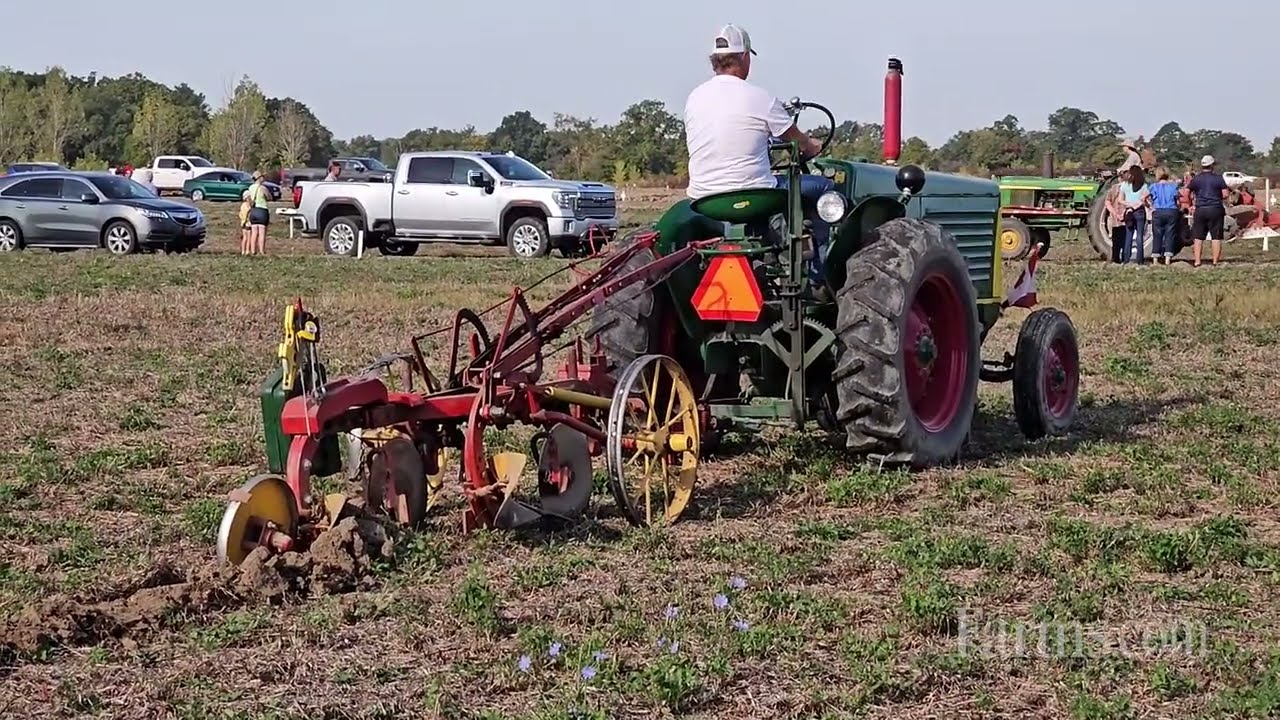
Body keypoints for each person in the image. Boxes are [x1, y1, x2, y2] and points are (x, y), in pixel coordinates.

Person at [684, 24, 832, 282]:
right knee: (824, 188)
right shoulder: (760, 98)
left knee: (761, 195)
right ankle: (818, 276)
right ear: (743, 57)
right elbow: (800, 142)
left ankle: (761, 257)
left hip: (705, 197)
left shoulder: (694, 98)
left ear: (715, 61)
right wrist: (813, 146)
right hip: (752, 192)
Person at [1187, 155, 1229, 267]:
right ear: (1212, 165)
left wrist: (1190, 204)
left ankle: (1197, 261)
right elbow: (1225, 194)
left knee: (1198, 236)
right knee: (1216, 237)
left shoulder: (1196, 179)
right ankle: (1215, 261)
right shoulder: (1218, 178)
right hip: (1215, 209)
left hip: (1200, 209)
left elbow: (1187, 192)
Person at [1148, 168, 1180, 265]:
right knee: (1170, 235)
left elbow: (1143, 198)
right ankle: (1167, 259)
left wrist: (1150, 206)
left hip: (1158, 211)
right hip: (1171, 210)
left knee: (1157, 235)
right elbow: (1177, 200)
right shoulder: (1173, 186)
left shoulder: (1153, 186)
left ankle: (1155, 258)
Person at [1119, 165, 1150, 265]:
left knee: (1128, 235)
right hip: (1140, 212)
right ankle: (1139, 260)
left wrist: (1130, 205)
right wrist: (1136, 205)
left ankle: (1126, 259)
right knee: (1140, 236)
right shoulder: (1144, 186)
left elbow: (1120, 200)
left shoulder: (1124, 185)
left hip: (1129, 212)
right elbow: (1143, 200)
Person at [247, 170, 271, 255]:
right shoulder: (262, 188)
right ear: (259, 178)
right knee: (262, 232)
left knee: (254, 233)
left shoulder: (250, 188)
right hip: (262, 210)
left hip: (253, 211)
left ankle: (253, 250)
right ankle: (261, 251)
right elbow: (269, 197)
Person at [238, 189, 253, 255]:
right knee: (248, 237)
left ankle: (243, 251)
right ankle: (246, 250)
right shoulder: (247, 206)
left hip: (244, 222)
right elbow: (244, 214)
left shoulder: (243, 205)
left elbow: (240, 214)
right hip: (247, 223)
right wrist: (244, 221)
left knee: (245, 237)